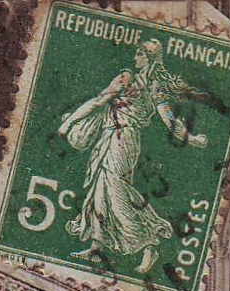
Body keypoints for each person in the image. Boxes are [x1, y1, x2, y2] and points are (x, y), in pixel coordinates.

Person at [57, 39, 210, 275]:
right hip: (110, 137)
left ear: (148, 58)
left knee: (115, 189)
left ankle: (147, 244)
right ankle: (97, 246)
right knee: (101, 188)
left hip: (124, 139)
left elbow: (167, 118)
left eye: (139, 54)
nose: (135, 58)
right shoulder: (132, 79)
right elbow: (99, 101)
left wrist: (191, 138)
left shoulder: (151, 84)